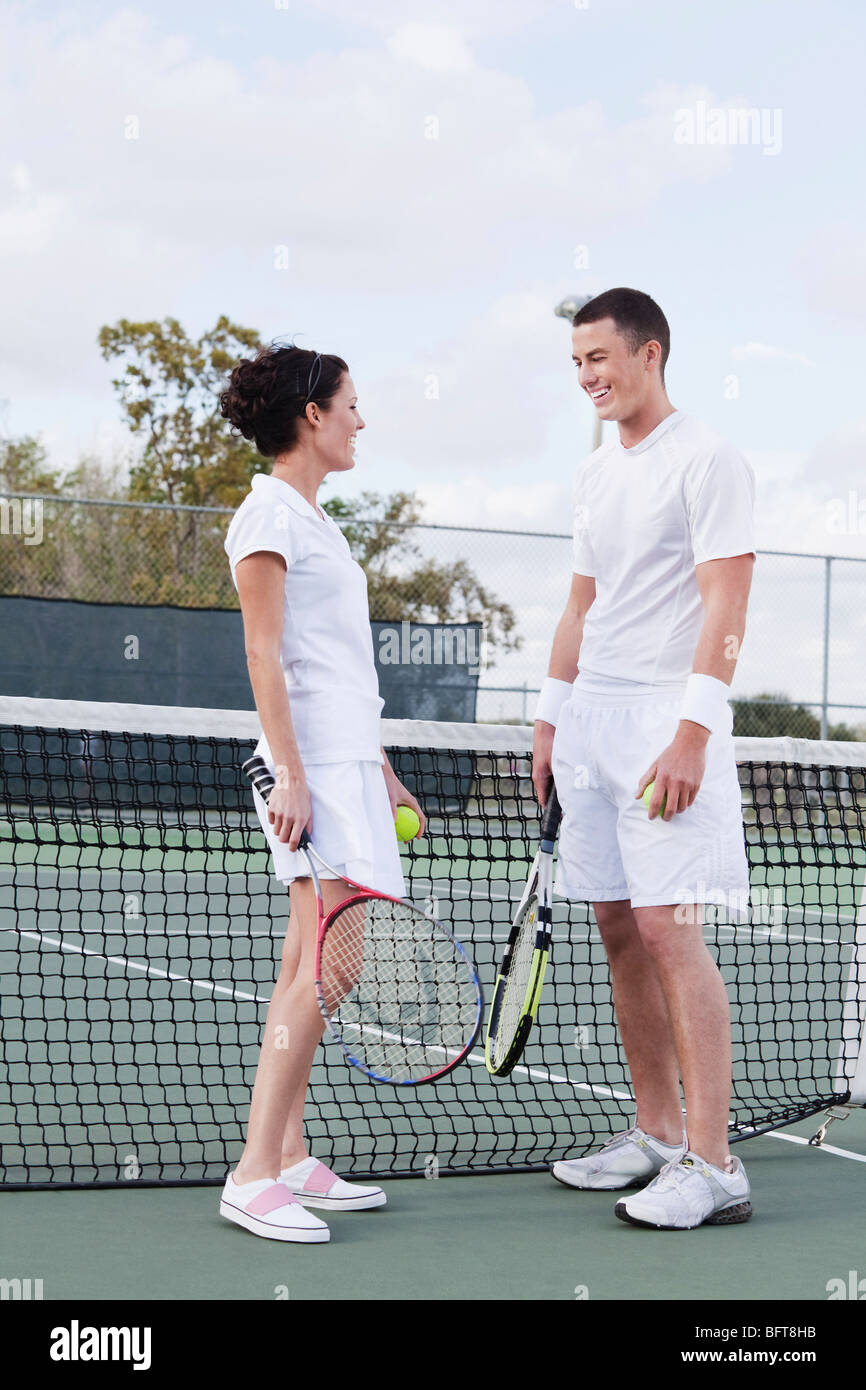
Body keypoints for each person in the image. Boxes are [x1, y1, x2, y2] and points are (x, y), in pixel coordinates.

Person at [533, 289, 756, 1230]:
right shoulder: (595, 474)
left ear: (649, 352)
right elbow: (582, 604)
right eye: (576, 362)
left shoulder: (709, 459)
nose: (587, 375)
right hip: (593, 726)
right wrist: (549, 720)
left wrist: (693, 736)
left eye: (599, 357)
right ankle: (658, 1135)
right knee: (620, 927)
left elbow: (727, 604)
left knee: (671, 932)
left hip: (669, 727)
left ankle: (715, 1165)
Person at [218, 344, 424, 1243]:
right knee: (334, 961)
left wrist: (376, 762)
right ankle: (253, 1171)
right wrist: (294, 775)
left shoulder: (318, 522)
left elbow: (341, 665)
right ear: (312, 414)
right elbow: (266, 656)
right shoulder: (267, 518)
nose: (359, 420)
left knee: (311, 954)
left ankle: (291, 1154)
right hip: (312, 770)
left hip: (348, 765)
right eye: (350, 404)